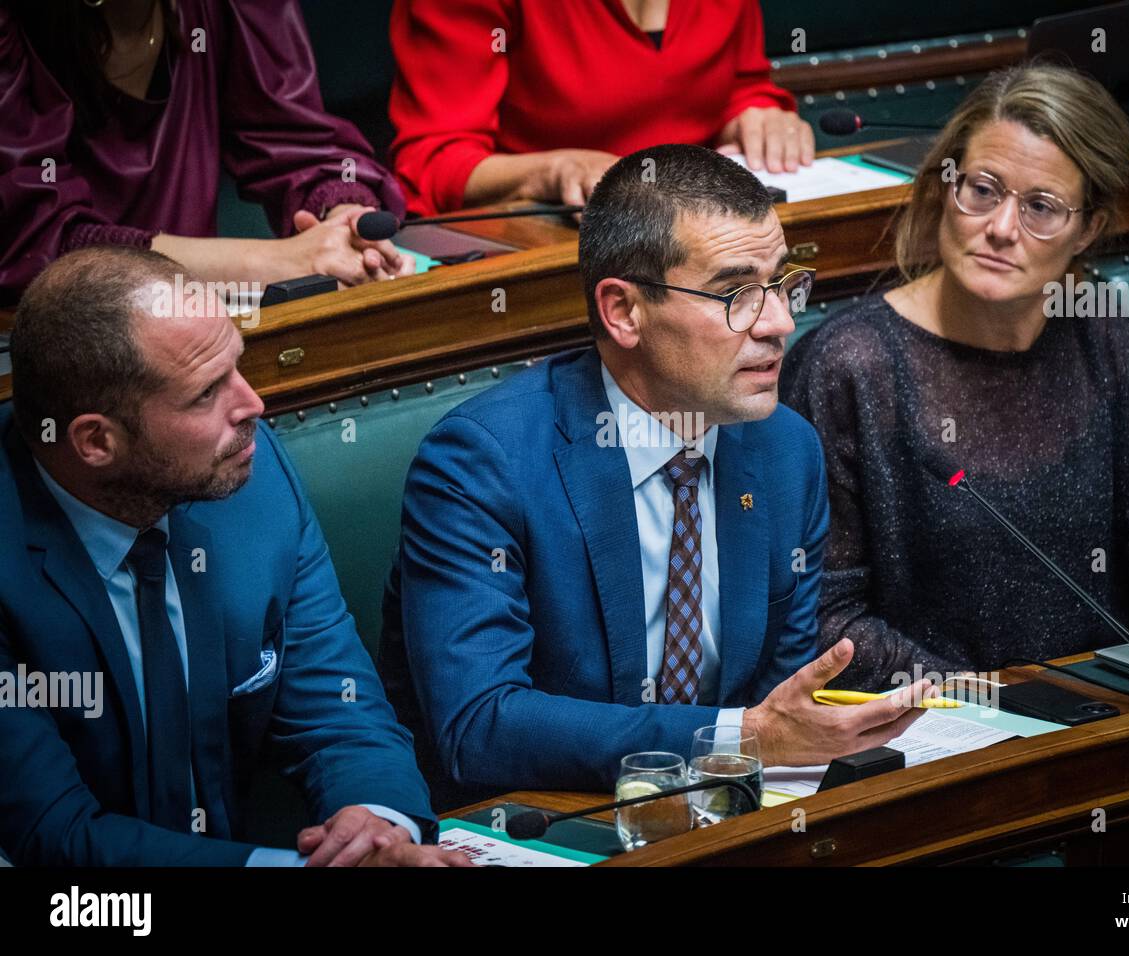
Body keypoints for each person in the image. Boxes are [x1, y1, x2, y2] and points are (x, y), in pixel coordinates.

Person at [379, 144, 930, 808]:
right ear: (624, 311)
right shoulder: (484, 463)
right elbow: (480, 726)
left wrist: (764, 740)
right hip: (542, 829)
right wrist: (741, 738)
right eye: (735, 293)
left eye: (784, 284)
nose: (781, 322)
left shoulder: (787, 451)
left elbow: (779, 702)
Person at [780, 63, 1129, 693]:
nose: (1001, 228)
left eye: (1042, 207)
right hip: (928, 733)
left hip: (1100, 713)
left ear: (1089, 229)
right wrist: (988, 702)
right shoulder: (847, 366)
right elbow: (828, 617)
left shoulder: (1105, 335)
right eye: (983, 190)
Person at [0, 246, 470, 866]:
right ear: (95, 441)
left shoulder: (251, 479)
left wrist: (374, 827)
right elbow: (53, 835)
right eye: (205, 394)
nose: (253, 406)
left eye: (238, 367)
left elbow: (339, 709)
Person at [0, 0, 415, 304]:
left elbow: (296, 141)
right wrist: (278, 261)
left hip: (197, 340)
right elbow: (33, 244)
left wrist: (341, 219)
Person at [388, 0, 814, 214]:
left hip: (708, 234)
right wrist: (554, 173)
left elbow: (742, 84)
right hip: (551, 255)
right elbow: (433, 162)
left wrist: (757, 114)